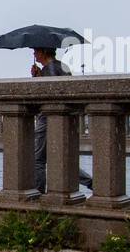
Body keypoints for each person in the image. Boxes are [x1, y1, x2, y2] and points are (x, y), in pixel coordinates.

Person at [31, 47, 93, 194]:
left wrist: (37, 79)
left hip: (47, 118)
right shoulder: (61, 66)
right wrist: (38, 76)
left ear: (44, 52)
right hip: (66, 119)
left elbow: (50, 94)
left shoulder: (50, 69)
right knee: (63, 158)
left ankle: (38, 193)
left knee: (38, 158)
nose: (33, 54)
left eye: (36, 51)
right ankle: (92, 183)